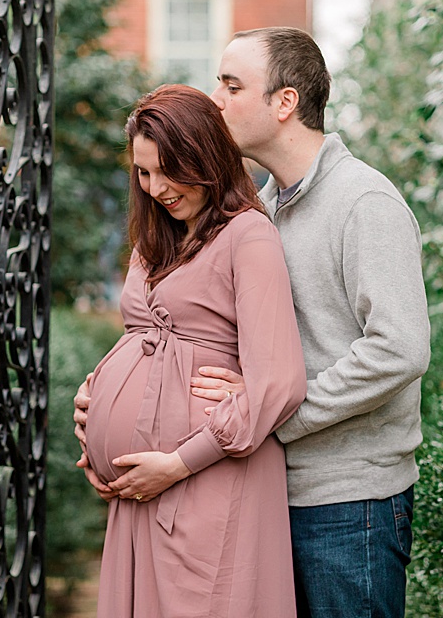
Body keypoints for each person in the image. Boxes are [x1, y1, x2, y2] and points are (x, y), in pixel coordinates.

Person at [81, 28, 430, 617]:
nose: (216, 99)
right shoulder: (257, 209)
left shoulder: (362, 201)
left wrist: (268, 414)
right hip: (258, 488)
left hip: (346, 501)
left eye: (232, 85)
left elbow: (400, 349)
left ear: (285, 101)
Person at [77, 84, 308, 618]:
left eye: (168, 171)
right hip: (144, 490)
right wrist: (96, 398)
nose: (156, 188)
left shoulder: (249, 237)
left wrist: (177, 463)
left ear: (205, 157)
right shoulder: (152, 242)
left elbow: (279, 383)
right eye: (143, 172)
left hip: (208, 478)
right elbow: (142, 343)